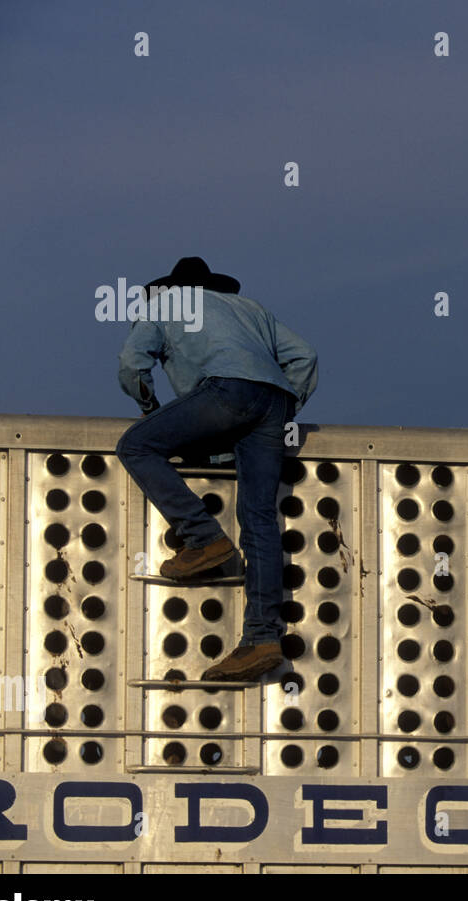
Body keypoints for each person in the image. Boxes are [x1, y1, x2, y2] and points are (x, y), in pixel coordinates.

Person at [115, 257, 318, 682]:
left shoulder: (166, 304)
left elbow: (133, 364)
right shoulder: (251, 310)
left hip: (226, 390)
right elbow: (305, 357)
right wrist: (286, 408)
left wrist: (151, 411)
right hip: (273, 403)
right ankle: (262, 638)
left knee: (136, 445)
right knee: (260, 516)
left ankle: (203, 538)